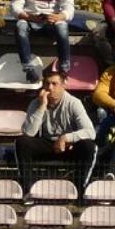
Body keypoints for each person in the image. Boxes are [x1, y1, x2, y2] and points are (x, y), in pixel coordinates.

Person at [15, 68, 97, 196]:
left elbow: (90, 132)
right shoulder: (36, 103)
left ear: (63, 84)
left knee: (89, 146)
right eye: (47, 84)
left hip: (68, 147)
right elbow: (29, 133)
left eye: (54, 84)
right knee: (22, 142)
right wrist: (42, 106)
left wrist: (66, 138)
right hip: (47, 144)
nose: (50, 88)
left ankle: (81, 189)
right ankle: (28, 189)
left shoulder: (74, 103)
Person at [11, 0, 74, 83]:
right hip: (30, 18)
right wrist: (29, 17)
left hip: (53, 20)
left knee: (62, 27)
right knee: (20, 26)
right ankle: (29, 70)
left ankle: (64, 69)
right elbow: (15, 6)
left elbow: (69, 9)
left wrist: (59, 16)